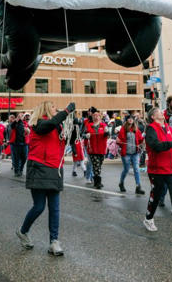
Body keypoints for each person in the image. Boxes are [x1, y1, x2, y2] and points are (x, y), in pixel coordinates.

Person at [16, 102, 76, 255]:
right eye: (54, 107)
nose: (57, 109)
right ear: (47, 109)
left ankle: (54, 241)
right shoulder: (39, 124)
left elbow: (67, 138)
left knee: (55, 208)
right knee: (39, 206)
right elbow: (48, 125)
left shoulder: (57, 126)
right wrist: (66, 110)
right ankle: (23, 231)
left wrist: (73, 124)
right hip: (39, 168)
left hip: (55, 169)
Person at [142, 107, 172, 239]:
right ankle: (148, 218)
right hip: (156, 169)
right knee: (156, 197)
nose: (161, 113)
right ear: (153, 116)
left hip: (170, 169)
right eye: (158, 111)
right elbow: (156, 145)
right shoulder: (151, 128)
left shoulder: (169, 128)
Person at [117, 115, 144, 194]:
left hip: (135, 153)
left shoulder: (136, 129)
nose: (130, 120)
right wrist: (118, 141)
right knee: (126, 169)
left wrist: (144, 137)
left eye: (132, 119)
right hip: (126, 154)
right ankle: (121, 183)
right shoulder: (123, 129)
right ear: (126, 120)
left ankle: (138, 186)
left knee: (136, 169)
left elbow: (140, 139)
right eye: (129, 118)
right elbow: (119, 140)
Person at [84, 108, 109, 189]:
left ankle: (97, 181)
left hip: (101, 149)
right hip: (92, 149)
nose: (96, 117)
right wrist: (86, 135)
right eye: (94, 115)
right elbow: (83, 134)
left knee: (99, 165)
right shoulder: (89, 125)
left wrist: (106, 132)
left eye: (97, 115)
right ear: (92, 117)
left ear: (100, 117)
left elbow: (107, 135)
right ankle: (97, 182)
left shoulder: (103, 125)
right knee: (96, 165)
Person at [9, 113, 30, 177]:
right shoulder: (15, 123)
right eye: (19, 116)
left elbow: (29, 131)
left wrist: (28, 131)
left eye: (22, 116)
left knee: (24, 157)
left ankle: (21, 169)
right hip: (16, 143)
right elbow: (12, 126)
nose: (21, 117)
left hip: (24, 143)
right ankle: (17, 171)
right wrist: (17, 119)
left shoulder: (25, 123)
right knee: (17, 158)